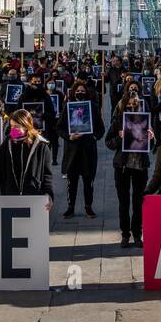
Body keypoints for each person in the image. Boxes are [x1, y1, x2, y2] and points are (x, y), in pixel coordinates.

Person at [105, 86, 150, 247]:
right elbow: (108, 142)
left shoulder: (145, 120)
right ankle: (125, 234)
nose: (132, 108)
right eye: (129, 106)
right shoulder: (118, 121)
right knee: (123, 202)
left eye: (135, 105)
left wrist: (151, 137)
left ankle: (138, 234)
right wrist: (119, 138)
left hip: (140, 166)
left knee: (138, 202)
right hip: (122, 166)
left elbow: (153, 146)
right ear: (124, 106)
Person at [0, 109, 54, 205]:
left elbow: (47, 176)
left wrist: (48, 195)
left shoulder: (42, 147)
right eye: (11, 126)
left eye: (16, 127)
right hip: (10, 200)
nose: (12, 130)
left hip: (34, 200)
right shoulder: (5, 146)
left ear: (26, 126)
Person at [57, 81, 103, 219]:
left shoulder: (93, 107)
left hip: (88, 150)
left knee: (88, 181)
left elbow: (101, 128)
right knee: (72, 182)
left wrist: (94, 137)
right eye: (78, 91)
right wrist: (69, 136)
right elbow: (59, 127)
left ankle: (88, 207)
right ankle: (70, 207)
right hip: (72, 150)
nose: (80, 93)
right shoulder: (67, 107)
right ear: (73, 92)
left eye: (83, 91)